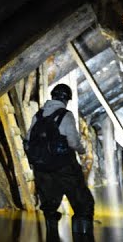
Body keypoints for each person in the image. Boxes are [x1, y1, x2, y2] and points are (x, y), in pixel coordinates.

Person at [26, 84, 95, 231]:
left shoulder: (38, 115)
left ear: (53, 96)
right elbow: (73, 141)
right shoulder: (65, 115)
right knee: (83, 204)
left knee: (49, 207)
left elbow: (28, 139)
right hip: (64, 167)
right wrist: (82, 150)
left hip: (42, 169)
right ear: (66, 99)